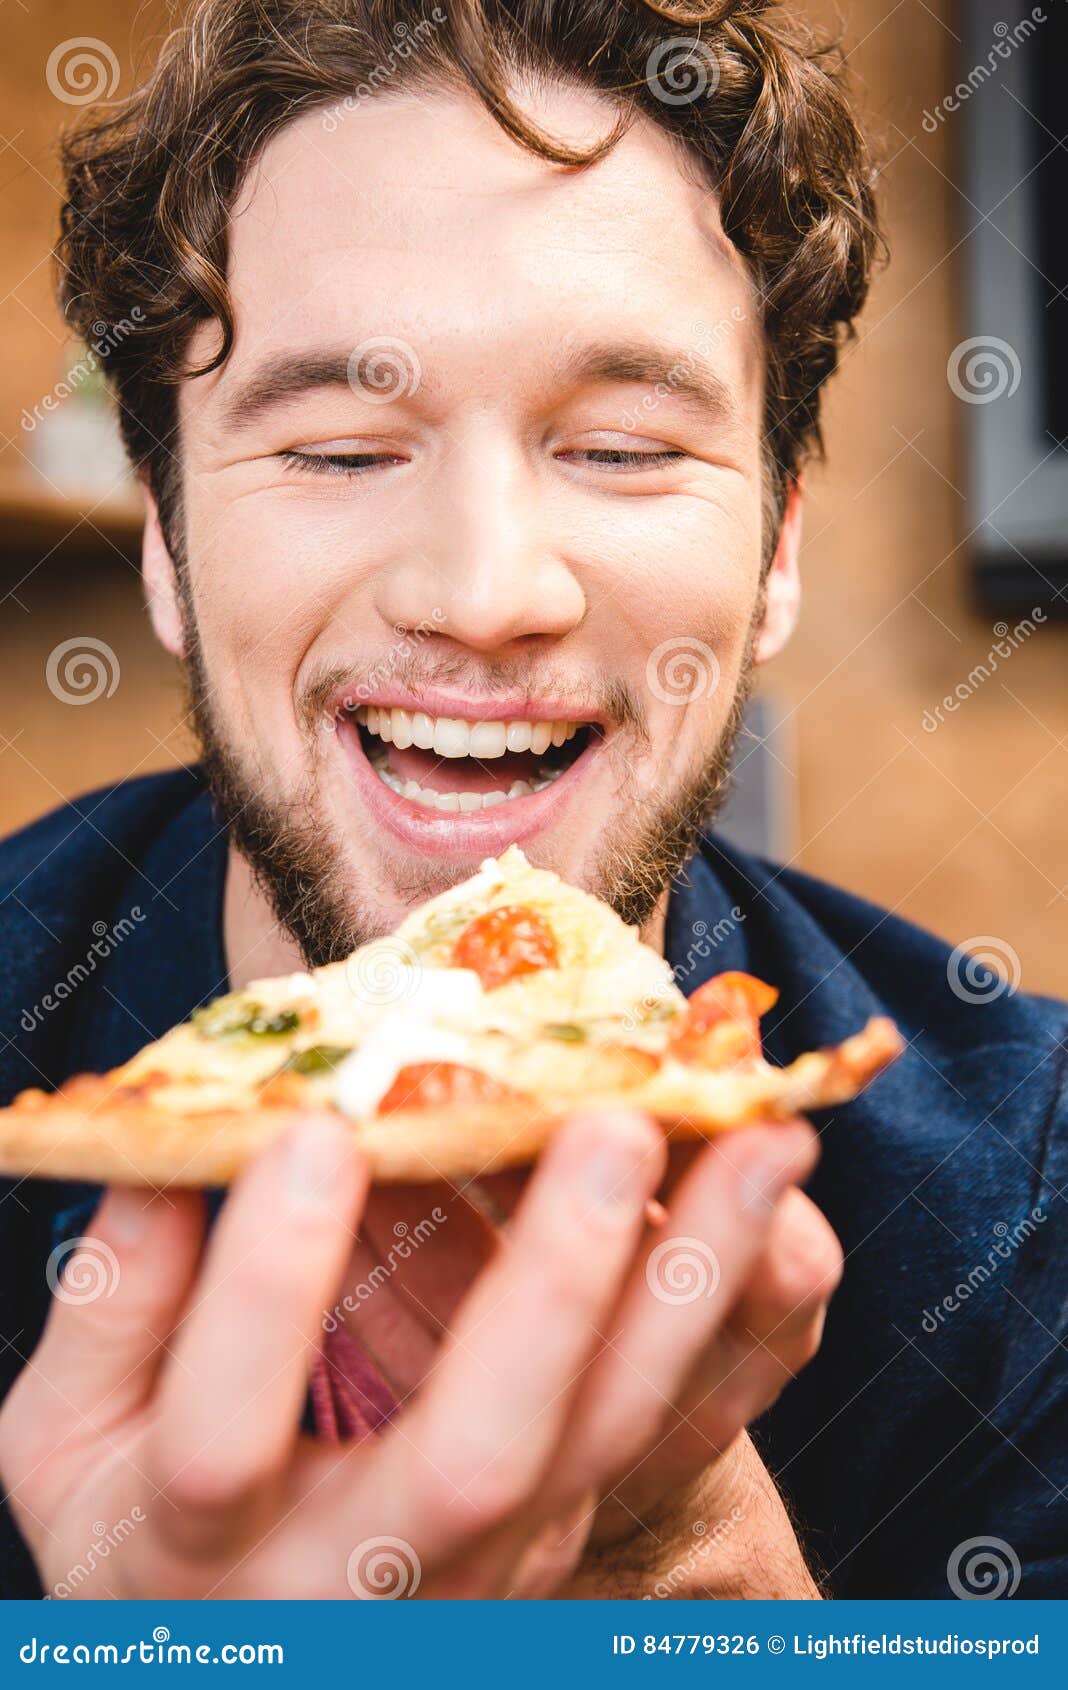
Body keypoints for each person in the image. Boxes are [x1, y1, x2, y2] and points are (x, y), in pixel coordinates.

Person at [0, 0, 1064, 1601]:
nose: (486, 590)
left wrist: (683, 1555)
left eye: (624, 447)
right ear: (165, 542)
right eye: (344, 451)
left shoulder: (1027, 1201)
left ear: (774, 553)